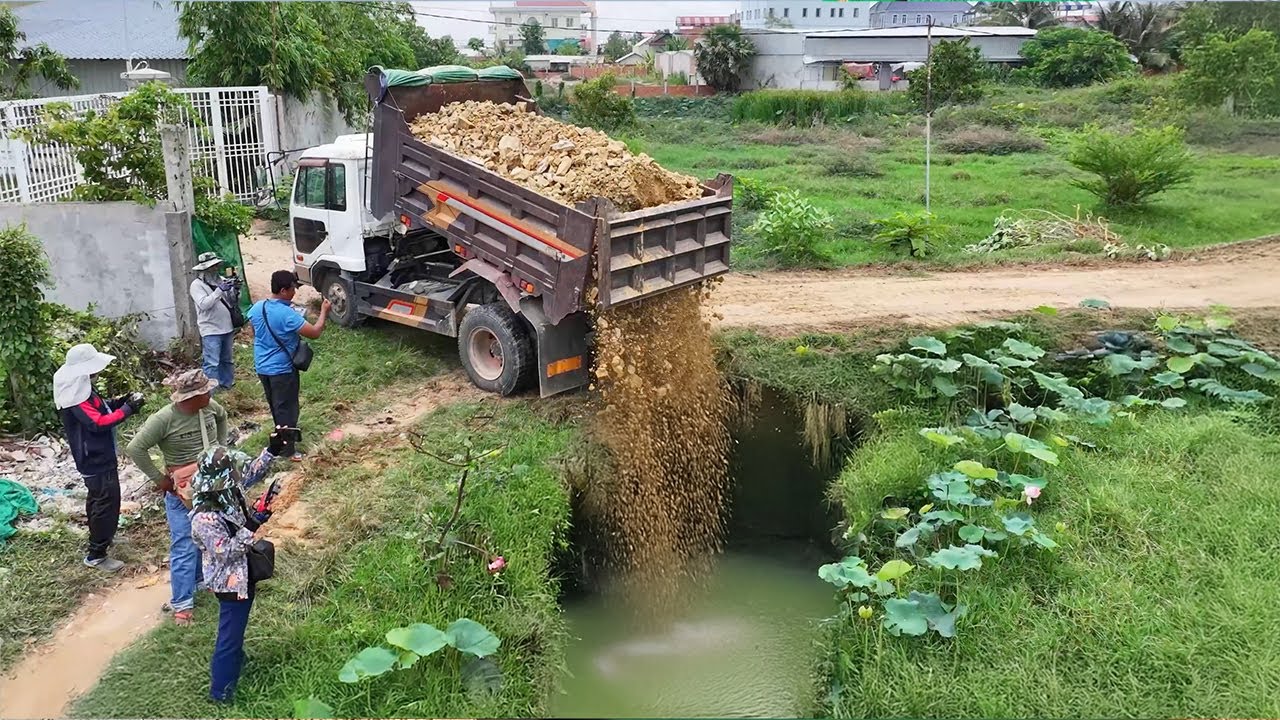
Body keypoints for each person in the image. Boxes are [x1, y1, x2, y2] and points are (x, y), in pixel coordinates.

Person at [190, 430, 286, 703]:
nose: (237, 478)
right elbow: (226, 553)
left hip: (243, 573)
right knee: (228, 638)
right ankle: (220, 693)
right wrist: (254, 523)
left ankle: (236, 661)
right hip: (230, 580)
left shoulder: (226, 491)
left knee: (235, 629)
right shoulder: (204, 518)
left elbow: (249, 476)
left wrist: (271, 451)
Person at [125, 369, 227, 625]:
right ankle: (182, 603)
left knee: (208, 536)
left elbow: (223, 417)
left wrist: (222, 449)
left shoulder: (209, 408)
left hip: (210, 484)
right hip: (183, 490)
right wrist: (160, 480)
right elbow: (135, 448)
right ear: (193, 396)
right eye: (206, 392)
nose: (210, 395)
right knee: (183, 544)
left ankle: (201, 581)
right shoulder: (164, 419)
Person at [53, 343, 145, 572]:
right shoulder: (74, 398)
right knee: (106, 501)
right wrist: (128, 410)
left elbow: (101, 408)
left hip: (98, 455)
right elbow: (97, 423)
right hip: (94, 458)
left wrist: (121, 402)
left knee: (99, 499)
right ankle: (96, 554)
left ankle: (104, 536)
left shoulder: (81, 388)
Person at [249, 270, 331, 462]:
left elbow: (254, 332)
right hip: (283, 370)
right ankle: (287, 452)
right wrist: (324, 312)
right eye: (293, 288)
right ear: (284, 290)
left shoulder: (257, 308)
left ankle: (279, 439)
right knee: (287, 408)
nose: (295, 291)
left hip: (262, 367)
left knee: (276, 406)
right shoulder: (287, 315)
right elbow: (314, 332)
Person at [189, 252, 240, 392]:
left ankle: (227, 386)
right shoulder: (196, 285)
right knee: (212, 362)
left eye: (216, 266)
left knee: (227, 360)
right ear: (204, 270)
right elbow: (204, 304)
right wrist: (219, 291)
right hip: (210, 329)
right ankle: (210, 392)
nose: (215, 269)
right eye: (212, 267)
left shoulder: (221, 280)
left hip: (227, 327)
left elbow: (231, 302)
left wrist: (235, 290)